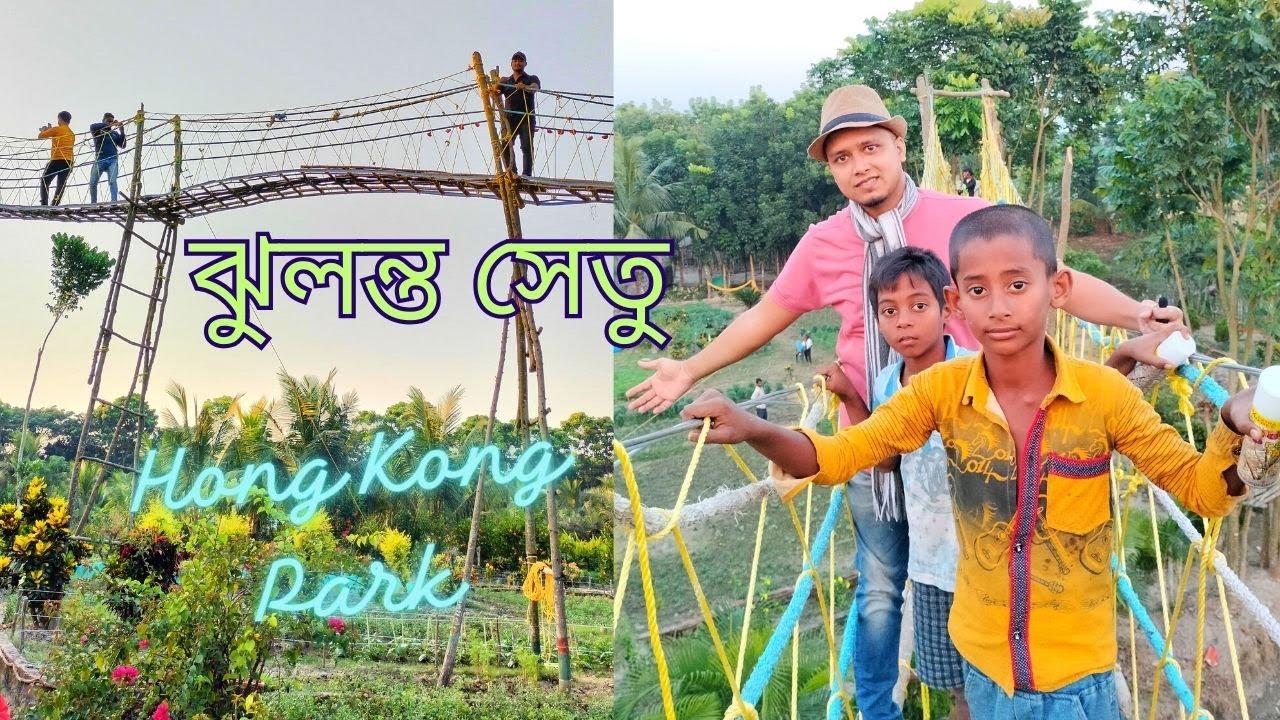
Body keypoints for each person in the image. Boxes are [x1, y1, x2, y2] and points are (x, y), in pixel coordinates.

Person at [626, 83, 1183, 720]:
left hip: (978, 434)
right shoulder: (823, 243)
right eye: (842, 157)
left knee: (991, 567)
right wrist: (688, 368)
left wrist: (1139, 314)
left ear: (899, 144)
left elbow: (1059, 282)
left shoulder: (963, 217)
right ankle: (877, 710)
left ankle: (983, 692)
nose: (860, 164)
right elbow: (766, 316)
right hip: (874, 439)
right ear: (831, 169)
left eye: (871, 147)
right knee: (881, 588)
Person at [680, 205, 1256, 720]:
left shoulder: (1105, 395)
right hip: (983, 670)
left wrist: (1233, 422)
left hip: (1077, 681)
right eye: (978, 291)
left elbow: (1203, 491)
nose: (999, 307)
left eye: (1017, 285)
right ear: (956, 302)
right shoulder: (941, 391)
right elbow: (840, 455)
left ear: (1056, 289)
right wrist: (753, 426)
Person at [848, 246, 973, 719]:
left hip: (986, 558)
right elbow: (882, 459)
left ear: (947, 307)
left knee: (994, 678)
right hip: (929, 561)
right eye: (889, 311)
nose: (904, 321)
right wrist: (848, 395)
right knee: (955, 685)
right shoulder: (885, 383)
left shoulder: (977, 370)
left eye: (918, 306)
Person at [493, 51, 540, 176]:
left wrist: (525, 87)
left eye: (520, 61)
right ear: (511, 63)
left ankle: (526, 175)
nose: (517, 63)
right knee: (505, 145)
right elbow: (496, 92)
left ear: (525, 63)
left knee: (526, 146)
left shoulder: (531, 78)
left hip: (526, 118)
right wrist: (496, 87)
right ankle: (512, 172)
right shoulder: (506, 80)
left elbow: (535, 88)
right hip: (508, 118)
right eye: (515, 61)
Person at [37, 110, 75, 205]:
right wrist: (50, 131)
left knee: (45, 180)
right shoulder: (72, 133)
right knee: (61, 185)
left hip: (57, 159)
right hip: (69, 161)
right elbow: (60, 138)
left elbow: (40, 136)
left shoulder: (57, 129)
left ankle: (44, 203)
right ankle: (55, 203)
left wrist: (44, 130)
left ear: (60, 119)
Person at [88, 112, 127, 203]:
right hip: (100, 159)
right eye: (108, 121)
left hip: (112, 159)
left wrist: (122, 131)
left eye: (111, 121)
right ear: (103, 120)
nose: (110, 123)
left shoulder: (114, 133)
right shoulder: (97, 131)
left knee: (112, 181)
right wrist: (109, 124)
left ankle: (114, 202)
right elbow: (92, 126)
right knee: (93, 182)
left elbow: (123, 145)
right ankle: (93, 202)